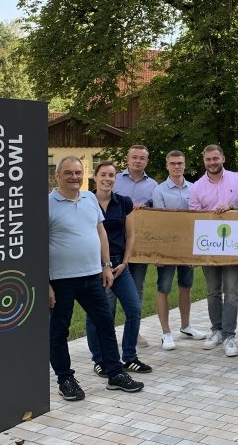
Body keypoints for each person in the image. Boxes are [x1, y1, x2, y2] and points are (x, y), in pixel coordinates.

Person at [48, 156, 143, 400]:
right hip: (61, 280)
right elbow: (37, 245)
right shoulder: (47, 204)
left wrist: (106, 266)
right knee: (58, 331)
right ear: (57, 176)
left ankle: (115, 373)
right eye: (68, 173)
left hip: (92, 276)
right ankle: (65, 379)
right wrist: (45, 283)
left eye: (78, 172)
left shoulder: (89, 198)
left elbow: (100, 232)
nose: (74, 177)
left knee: (105, 324)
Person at [86, 161, 152, 377]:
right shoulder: (85, 201)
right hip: (94, 267)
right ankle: (99, 359)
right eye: (103, 175)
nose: (107, 179)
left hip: (119, 266)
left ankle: (130, 357)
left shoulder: (124, 202)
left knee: (134, 309)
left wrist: (124, 262)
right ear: (95, 177)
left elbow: (130, 235)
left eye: (111, 175)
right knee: (97, 314)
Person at [188, 144, 238, 357]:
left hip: (233, 247)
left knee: (231, 292)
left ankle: (229, 336)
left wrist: (232, 207)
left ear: (223, 158)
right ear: (204, 161)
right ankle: (217, 331)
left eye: (215, 158)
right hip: (209, 247)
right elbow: (194, 219)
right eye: (208, 159)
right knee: (212, 291)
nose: (212, 162)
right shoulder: (197, 187)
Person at [152, 150, 207, 350]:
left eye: (180, 163)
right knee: (164, 287)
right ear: (167, 166)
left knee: (186, 286)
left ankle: (186, 326)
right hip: (167, 247)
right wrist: (159, 251)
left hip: (189, 246)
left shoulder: (194, 188)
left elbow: (198, 219)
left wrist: (196, 251)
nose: (176, 166)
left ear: (185, 165)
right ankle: (166, 333)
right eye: (173, 163)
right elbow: (160, 222)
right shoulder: (159, 190)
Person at [114, 144, 158, 347]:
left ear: (146, 161)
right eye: (135, 157)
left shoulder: (153, 186)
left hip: (140, 245)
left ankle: (134, 332)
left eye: (142, 158)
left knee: (136, 289)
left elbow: (158, 214)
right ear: (127, 158)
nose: (138, 161)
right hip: (114, 244)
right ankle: (107, 332)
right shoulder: (114, 180)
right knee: (110, 289)